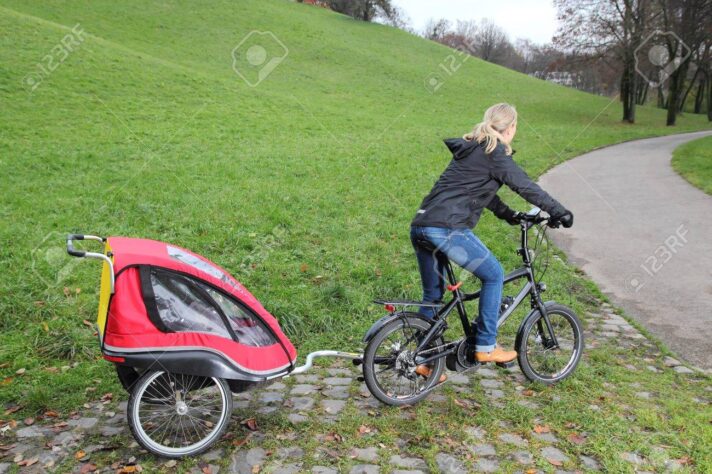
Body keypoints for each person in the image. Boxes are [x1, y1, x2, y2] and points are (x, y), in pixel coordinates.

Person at [410, 103, 573, 377]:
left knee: (432, 295)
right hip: (448, 228)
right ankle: (485, 345)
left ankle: (422, 361)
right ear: (511, 128)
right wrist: (560, 212)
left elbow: (482, 191)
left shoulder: (473, 150)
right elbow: (525, 186)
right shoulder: (494, 153)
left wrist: (509, 214)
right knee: (494, 274)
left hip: (422, 225)